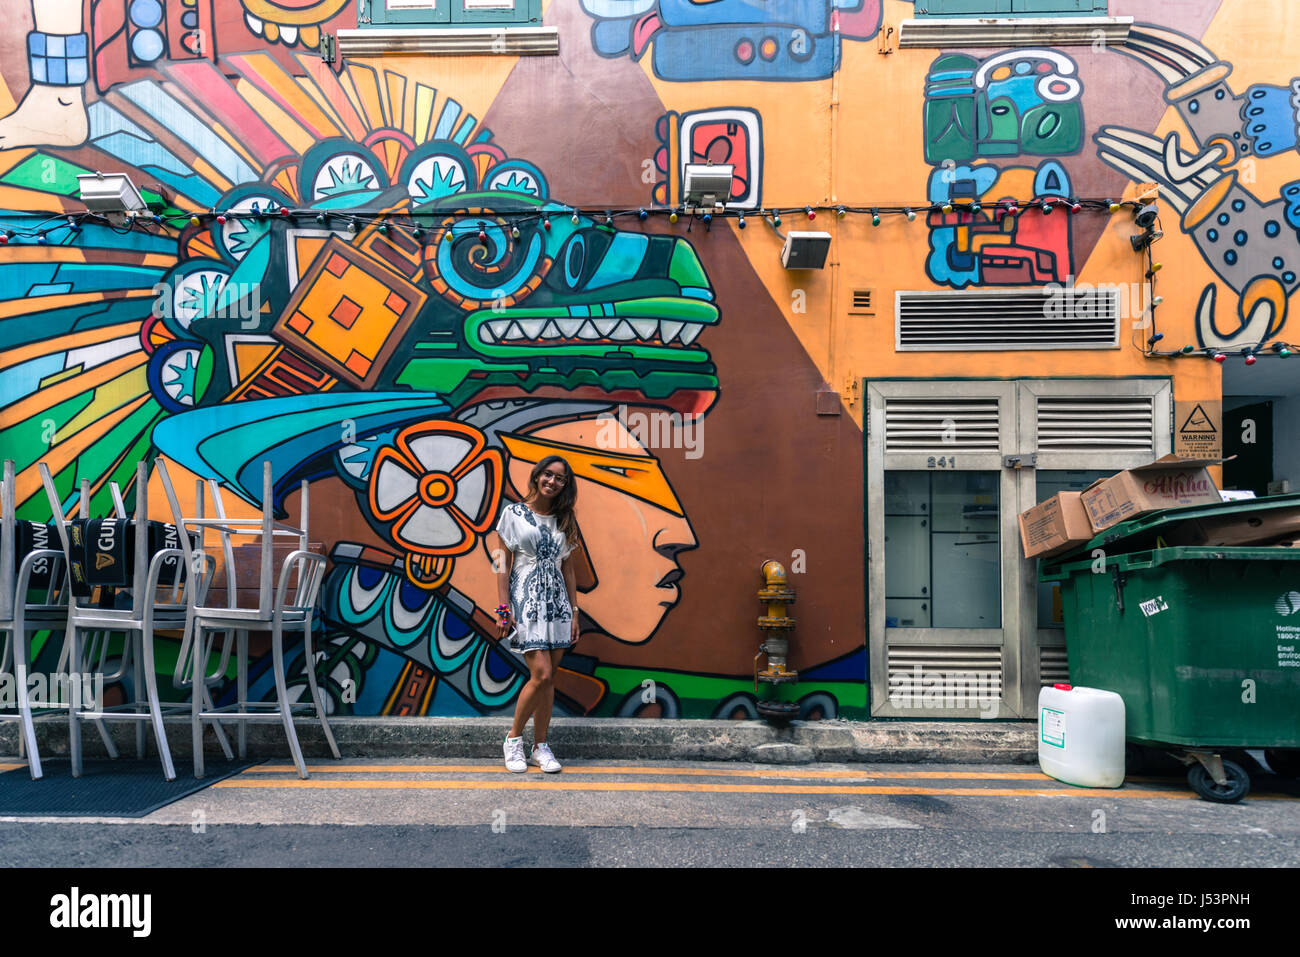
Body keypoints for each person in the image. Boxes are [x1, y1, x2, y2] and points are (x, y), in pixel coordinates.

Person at [492, 455, 581, 773]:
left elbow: (569, 569)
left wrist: (574, 612)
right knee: (540, 674)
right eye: (548, 474)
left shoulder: (565, 518)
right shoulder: (512, 513)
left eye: (560, 478)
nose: (552, 482)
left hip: (557, 604)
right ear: (537, 476)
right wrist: (504, 609)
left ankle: (540, 747)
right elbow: (501, 564)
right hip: (525, 601)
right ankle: (513, 739)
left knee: (548, 679)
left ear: (564, 485)